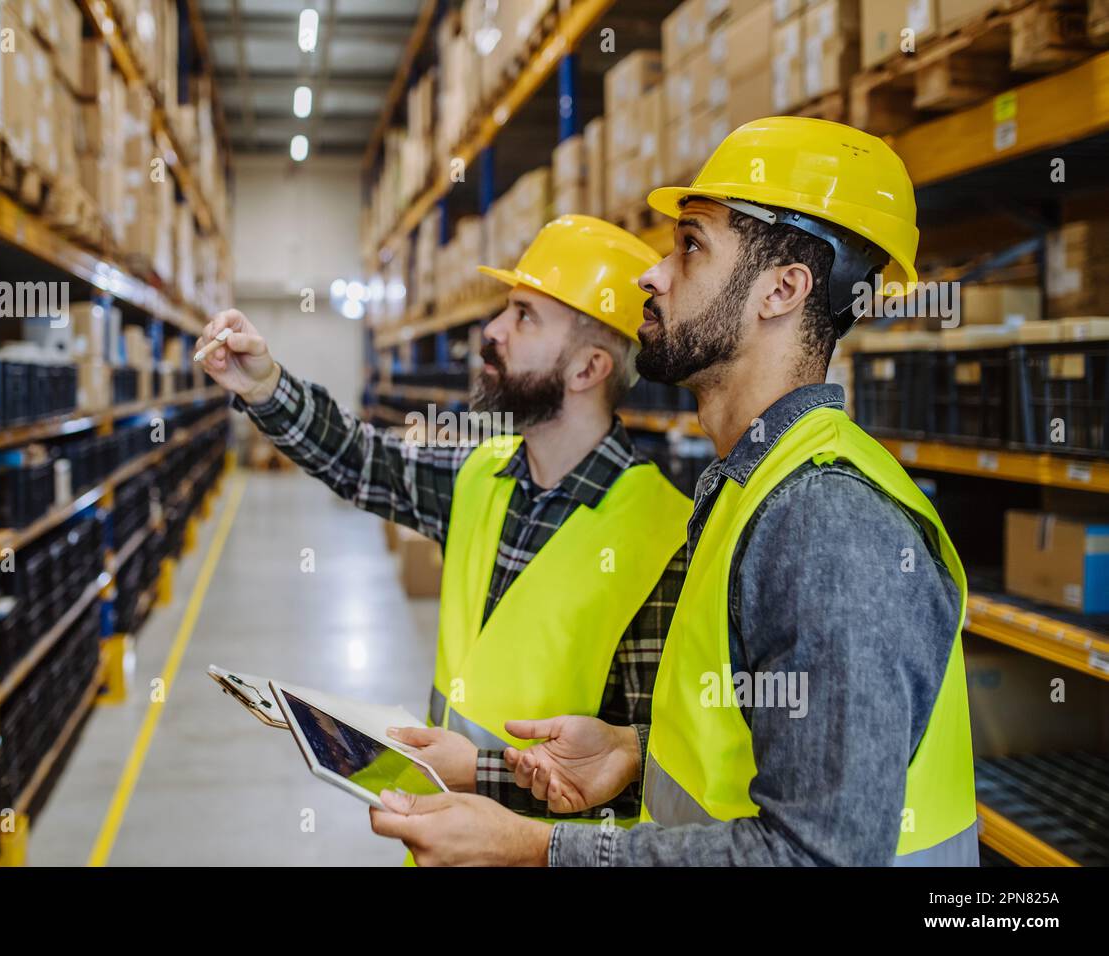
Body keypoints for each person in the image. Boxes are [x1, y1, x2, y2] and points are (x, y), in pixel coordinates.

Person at [368, 117, 978, 867]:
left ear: (781, 290)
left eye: (691, 245)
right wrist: (631, 749)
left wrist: (536, 848)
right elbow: (766, 740)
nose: (652, 276)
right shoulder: (746, 488)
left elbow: (814, 856)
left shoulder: (826, 520)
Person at [198, 215, 692, 832]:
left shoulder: (664, 538)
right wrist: (266, 386)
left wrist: (477, 771)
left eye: (524, 316)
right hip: (445, 837)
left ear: (587, 369)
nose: (492, 331)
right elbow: (360, 458)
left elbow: (653, 776)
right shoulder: (479, 476)